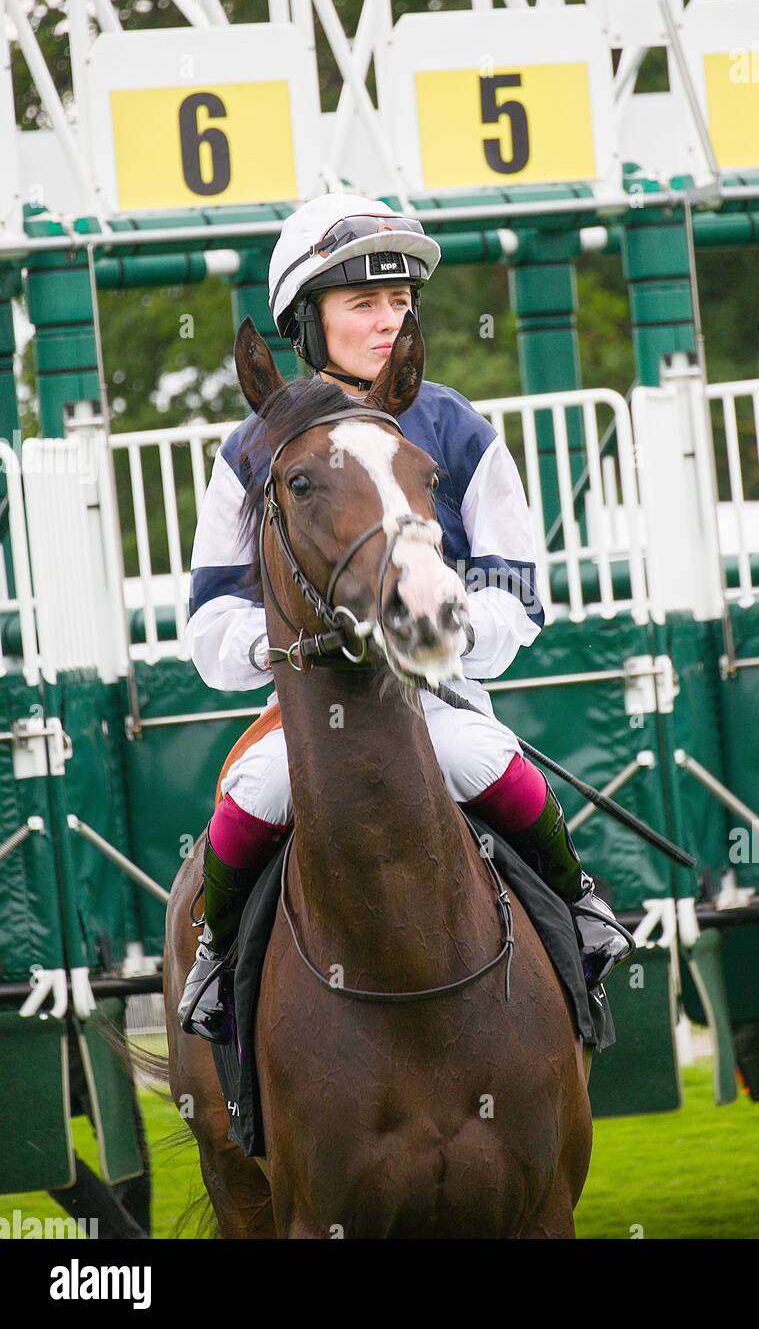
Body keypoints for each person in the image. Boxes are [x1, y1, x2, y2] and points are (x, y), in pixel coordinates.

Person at [177, 193, 635, 1042]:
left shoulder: (455, 426)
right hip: (315, 707)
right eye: (363, 304)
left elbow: (518, 592)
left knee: (481, 756)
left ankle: (577, 907)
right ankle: (215, 956)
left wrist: (451, 632)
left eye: (399, 302)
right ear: (306, 323)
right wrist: (287, 646)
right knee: (258, 789)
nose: (388, 321)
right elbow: (210, 622)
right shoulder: (253, 447)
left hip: (436, 696)